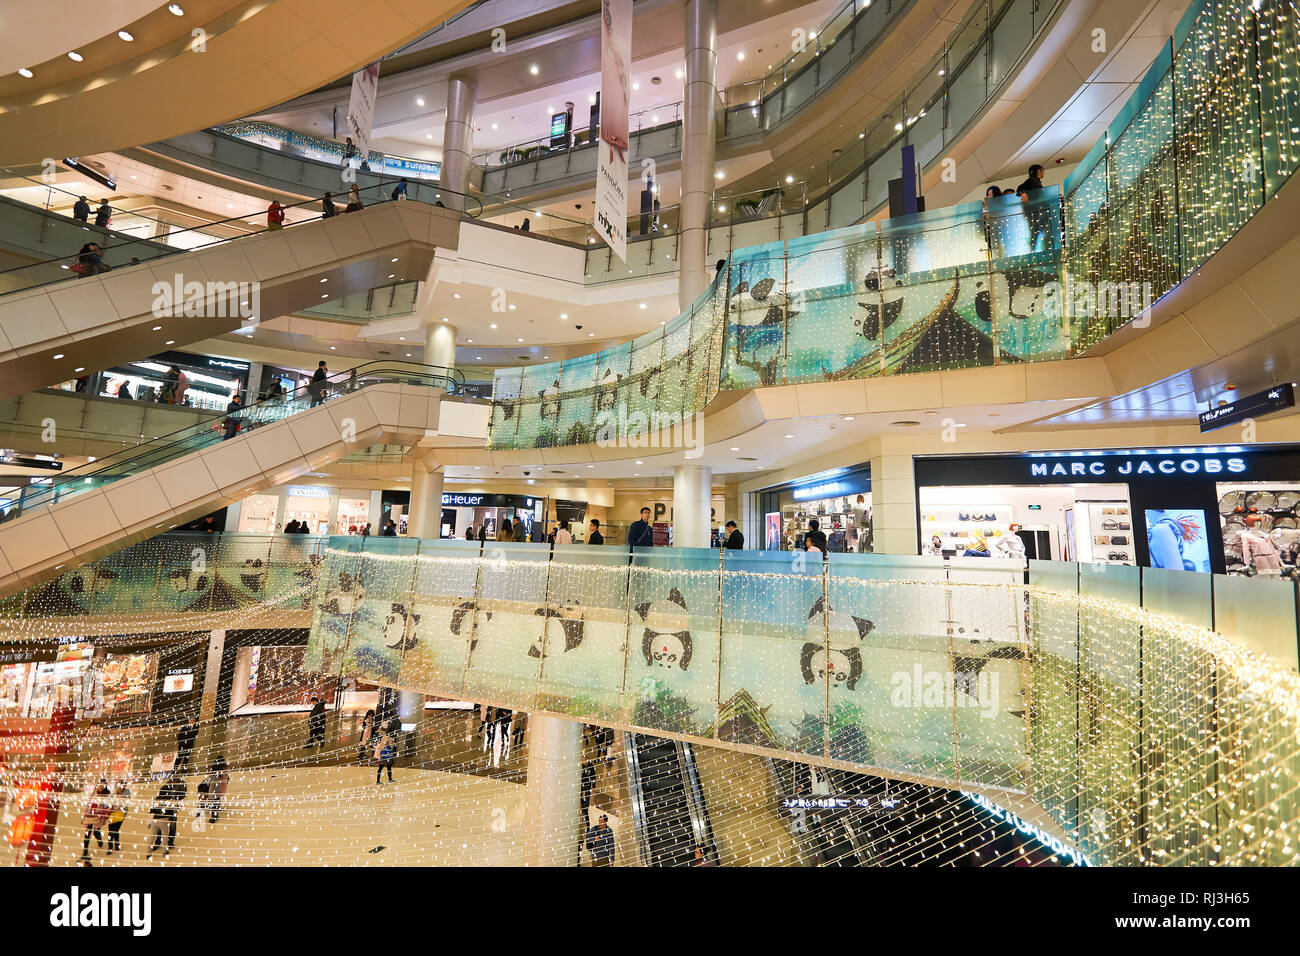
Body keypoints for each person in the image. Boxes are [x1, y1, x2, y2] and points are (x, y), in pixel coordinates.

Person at [1015, 163, 1055, 252]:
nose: (1043, 173)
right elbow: (1020, 188)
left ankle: (1037, 250)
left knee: (1038, 233)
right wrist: (1023, 193)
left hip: (1038, 211)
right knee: (1037, 232)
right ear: (1039, 171)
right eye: (1042, 170)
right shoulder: (1032, 181)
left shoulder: (1035, 182)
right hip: (1035, 212)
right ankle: (1035, 251)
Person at [147, 774, 187, 860]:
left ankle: (169, 842)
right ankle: (161, 845)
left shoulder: (181, 784)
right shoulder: (166, 786)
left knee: (170, 827)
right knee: (163, 832)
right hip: (164, 815)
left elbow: (184, 795)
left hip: (172, 808)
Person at [80, 780, 111, 860]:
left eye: (103, 785)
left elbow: (107, 805)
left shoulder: (107, 795)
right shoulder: (93, 793)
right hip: (90, 815)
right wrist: (84, 816)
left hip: (99, 816)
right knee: (87, 833)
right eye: (100, 785)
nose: (101, 787)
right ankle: (85, 850)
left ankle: (99, 840)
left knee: (96, 832)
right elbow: (88, 805)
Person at [198, 757, 229, 824]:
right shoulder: (225, 770)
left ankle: (205, 811)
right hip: (220, 790)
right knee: (216, 801)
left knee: (208, 799)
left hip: (213, 789)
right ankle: (214, 814)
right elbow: (227, 779)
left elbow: (209, 780)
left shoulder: (214, 771)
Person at [105, 779, 130, 855]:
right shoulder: (112, 793)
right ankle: (111, 847)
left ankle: (116, 845)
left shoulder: (126, 792)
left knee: (115, 829)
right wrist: (112, 807)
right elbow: (108, 803)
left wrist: (120, 807)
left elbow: (126, 803)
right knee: (111, 831)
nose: (119, 788)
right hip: (112, 814)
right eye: (118, 786)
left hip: (121, 814)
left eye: (121, 786)